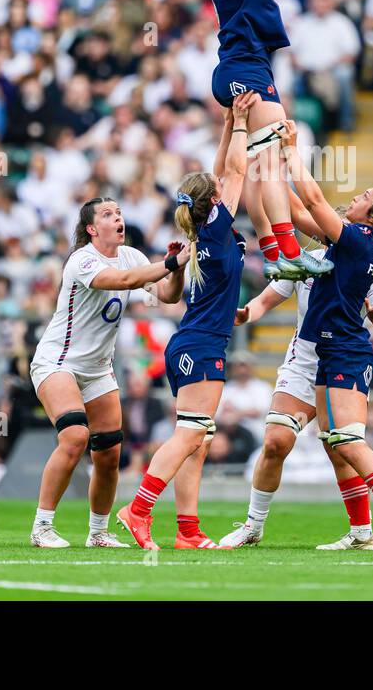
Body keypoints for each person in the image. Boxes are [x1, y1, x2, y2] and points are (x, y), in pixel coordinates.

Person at [274, 119, 373, 551]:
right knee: (334, 443)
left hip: (344, 349)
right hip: (331, 349)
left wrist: (290, 151)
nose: (354, 198)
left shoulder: (359, 236)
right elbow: (300, 211)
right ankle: (361, 534)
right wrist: (267, 165)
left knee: (347, 440)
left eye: (363, 198)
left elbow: (314, 200)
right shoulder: (352, 240)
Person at [116, 92, 254, 550]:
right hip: (201, 345)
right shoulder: (213, 230)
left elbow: (166, 294)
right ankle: (137, 509)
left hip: (189, 343)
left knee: (198, 439)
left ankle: (188, 531)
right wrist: (240, 125)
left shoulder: (198, 235)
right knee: (192, 433)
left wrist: (228, 121)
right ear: (213, 202)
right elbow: (232, 172)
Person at [220, 218, 373, 550]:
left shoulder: (365, 268)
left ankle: (363, 532)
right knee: (276, 441)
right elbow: (266, 299)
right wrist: (248, 312)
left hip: (341, 362)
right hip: (303, 363)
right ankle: (253, 526)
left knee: (340, 449)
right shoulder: (305, 261)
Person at [27, 196, 189, 548]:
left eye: (118, 212)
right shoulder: (82, 259)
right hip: (58, 362)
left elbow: (169, 296)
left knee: (109, 454)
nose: (118, 218)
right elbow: (124, 281)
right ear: (91, 228)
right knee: (74, 438)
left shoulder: (133, 255)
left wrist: (175, 270)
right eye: (107, 214)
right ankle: (42, 527)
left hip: (98, 370)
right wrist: (174, 259)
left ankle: (98, 533)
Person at [204, 0, 331, 282]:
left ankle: (274, 251)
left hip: (250, 65)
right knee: (274, 156)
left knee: (262, 166)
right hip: (242, 66)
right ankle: (286, 250)